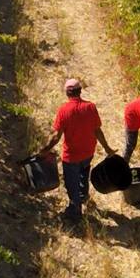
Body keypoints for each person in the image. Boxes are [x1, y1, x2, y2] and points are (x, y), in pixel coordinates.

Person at [38, 77, 114, 225]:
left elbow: (56, 136)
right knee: (84, 173)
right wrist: (107, 148)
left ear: (67, 93)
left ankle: (75, 210)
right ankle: (83, 195)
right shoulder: (90, 107)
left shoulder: (63, 110)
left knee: (71, 183)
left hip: (71, 156)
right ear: (80, 91)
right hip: (88, 152)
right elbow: (98, 131)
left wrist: (45, 150)